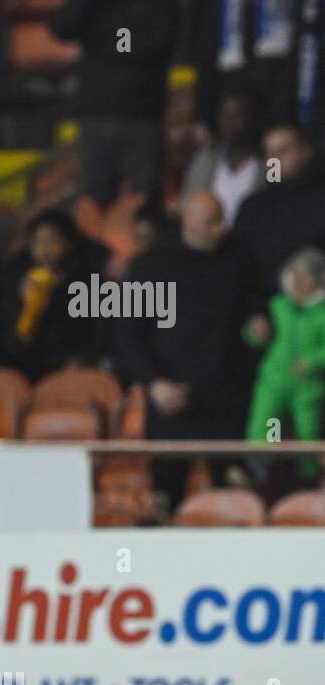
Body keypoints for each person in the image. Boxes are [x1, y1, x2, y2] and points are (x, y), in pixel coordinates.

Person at [115, 190, 261, 508]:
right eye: (211, 221)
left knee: (234, 495)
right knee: (166, 495)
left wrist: (258, 324)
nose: (220, 228)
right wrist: (154, 383)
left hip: (227, 402)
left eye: (222, 219)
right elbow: (126, 336)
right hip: (172, 403)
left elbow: (257, 307)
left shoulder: (239, 258)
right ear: (187, 222)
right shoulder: (149, 267)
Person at [50, 0, 180, 209]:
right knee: (92, 202)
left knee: (144, 204)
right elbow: (61, 28)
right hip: (96, 114)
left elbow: (163, 40)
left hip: (142, 115)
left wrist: (118, 44)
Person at [0, 208, 110, 380]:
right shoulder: (17, 282)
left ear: (68, 243)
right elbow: (14, 342)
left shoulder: (86, 283)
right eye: (38, 242)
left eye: (51, 241)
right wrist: (28, 305)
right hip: (27, 371)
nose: (44, 249)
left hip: (74, 369)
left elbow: (97, 334)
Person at [244, 247, 325, 478]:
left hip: (309, 388)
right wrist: (254, 333)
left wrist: (312, 362)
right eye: (295, 275)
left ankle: (309, 476)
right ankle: (262, 471)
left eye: (304, 276)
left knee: (308, 433)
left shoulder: (321, 313)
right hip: (275, 381)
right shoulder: (278, 306)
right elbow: (259, 336)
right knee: (269, 423)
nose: (298, 282)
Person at [231, 124, 325, 299]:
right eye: (269, 153)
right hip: (265, 310)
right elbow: (239, 266)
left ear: (305, 152)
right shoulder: (252, 208)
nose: (273, 160)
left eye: (282, 151)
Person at [182, 89, 264, 227]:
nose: (230, 122)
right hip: (209, 239)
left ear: (252, 118)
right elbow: (189, 201)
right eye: (226, 115)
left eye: (238, 115)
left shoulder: (272, 161)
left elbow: (276, 199)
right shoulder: (205, 158)